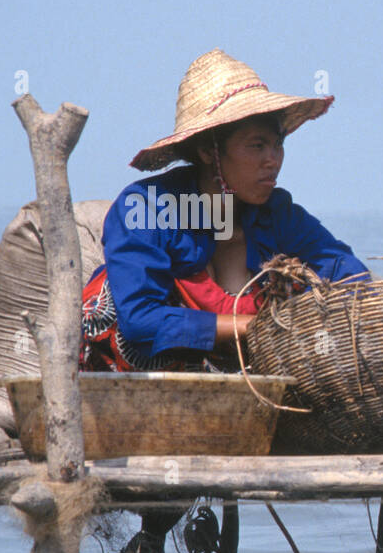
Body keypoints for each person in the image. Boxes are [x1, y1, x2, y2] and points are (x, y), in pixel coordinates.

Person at [82, 48, 368, 371]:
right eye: (257, 146)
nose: (272, 160)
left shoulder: (278, 214)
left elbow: (351, 276)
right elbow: (140, 320)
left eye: (278, 145)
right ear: (207, 150)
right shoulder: (146, 209)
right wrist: (254, 328)